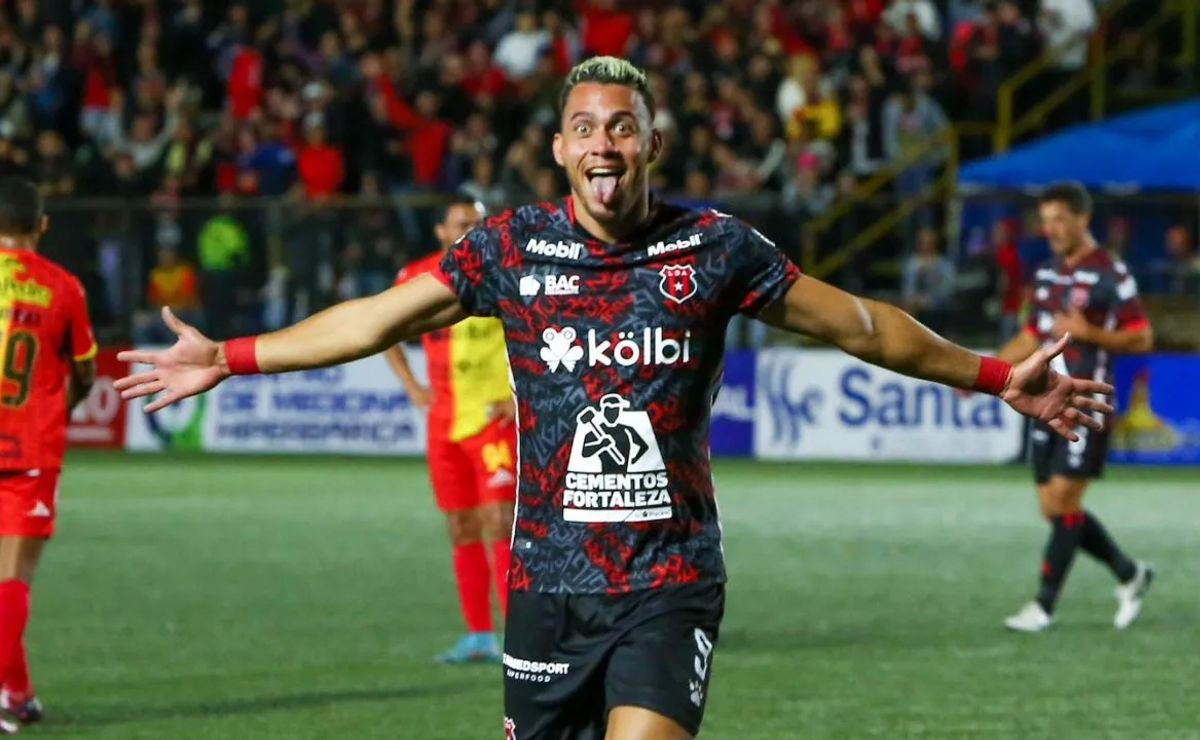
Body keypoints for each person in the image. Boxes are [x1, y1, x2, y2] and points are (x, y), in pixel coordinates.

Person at [116, 58, 1112, 740]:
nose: (604, 142)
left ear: (651, 145)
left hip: (667, 581)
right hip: (546, 587)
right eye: (585, 127)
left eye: (622, 127)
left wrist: (991, 373)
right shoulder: (506, 248)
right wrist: (232, 355)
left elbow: (862, 324)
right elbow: (375, 318)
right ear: (559, 149)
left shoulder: (717, 249)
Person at [995, 182, 1155, 634]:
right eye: (1045, 222)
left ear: (1083, 219)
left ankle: (1043, 606)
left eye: (1059, 220)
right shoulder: (1045, 274)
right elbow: (1031, 337)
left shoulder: (1112, 273)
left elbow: (1142, 336)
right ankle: (1130, 574)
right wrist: (980, 370)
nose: (1051, 230)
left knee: (1065, 501)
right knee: (1053, 509)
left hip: (1087, 402)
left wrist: (1090, 332)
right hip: (1044, 403)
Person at [384, 196, 516, 664]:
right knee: (461, 527)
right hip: (443, 423)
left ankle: (519, 638)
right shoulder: (415, 278)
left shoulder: (506, 273)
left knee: (500, 523)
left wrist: (519, 397)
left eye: (478, 223)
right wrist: (413, 387)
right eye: (462, 223)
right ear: (441, 230)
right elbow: (384, 329)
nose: (471, 230)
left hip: (493, 421)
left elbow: (545, 335)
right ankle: (479, 636)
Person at [0, 176, 97, 733]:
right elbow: (84, 372)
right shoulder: (62, 287)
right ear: (42, 225)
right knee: (13, 580)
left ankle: (19, 692)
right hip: (31, 445)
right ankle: (8, 696)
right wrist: (66, 406)